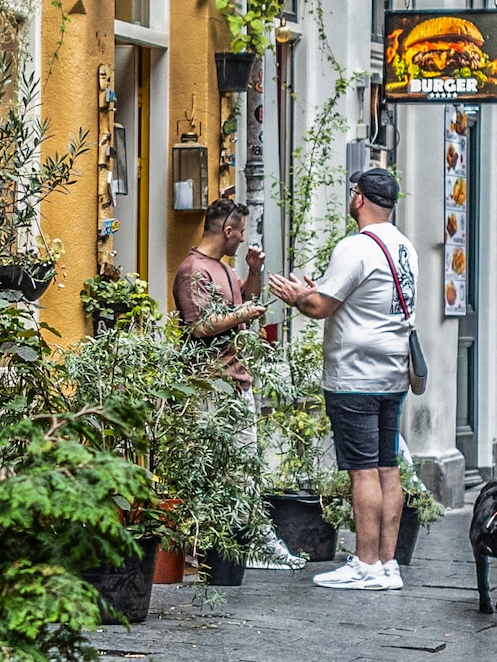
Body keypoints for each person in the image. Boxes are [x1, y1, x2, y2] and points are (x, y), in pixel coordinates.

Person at [267, 168, 416, 593]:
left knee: (363, 470)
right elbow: (362, 299)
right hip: (392, 374)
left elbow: (320, 307)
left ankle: (365, 564)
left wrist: (297, 296)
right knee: (387, 467)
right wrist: (318, 292)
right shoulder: (404, 247)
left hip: (355, 377)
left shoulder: (356, 247)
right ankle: (387, 564)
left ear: (359, 198)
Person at [172, 197, 266, 385]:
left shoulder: (222, 267)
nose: (242, 239)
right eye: (241, 232)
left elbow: (248, 297)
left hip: (238, 381)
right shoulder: (193, 271)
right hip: (210, 384)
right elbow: (200, 327)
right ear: (228, 231)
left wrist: (254, 270)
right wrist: (242, 315)